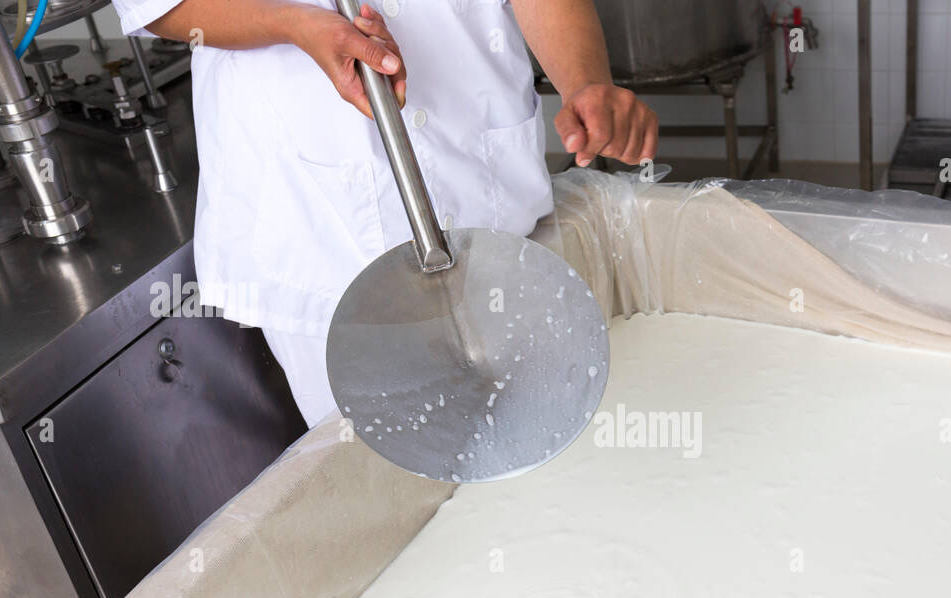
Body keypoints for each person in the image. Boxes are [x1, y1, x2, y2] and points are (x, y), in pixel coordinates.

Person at [110, 0, 658, 426]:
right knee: (402, 499)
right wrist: (298, 23)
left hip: (487, 188)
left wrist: (586, 82)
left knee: (545, 448)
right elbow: (159, 6)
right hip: (320, 226)